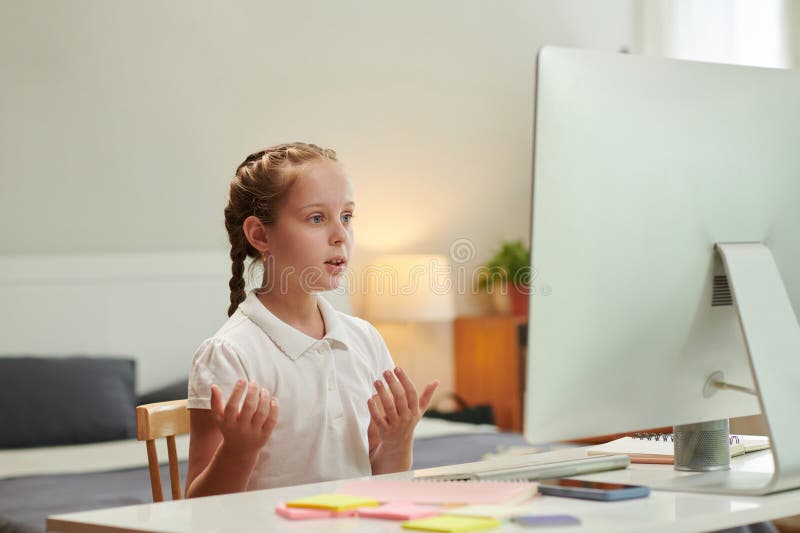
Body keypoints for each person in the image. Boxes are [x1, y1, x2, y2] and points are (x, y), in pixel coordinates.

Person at [184, 142, 439, 497]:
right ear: (260, 235)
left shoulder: (364, 339)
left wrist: (398, 442)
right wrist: (239, 451)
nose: (340, 235)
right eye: (316, 218)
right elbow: (199, 512)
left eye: (346, 217)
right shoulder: (229, 354)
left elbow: (386, 489)